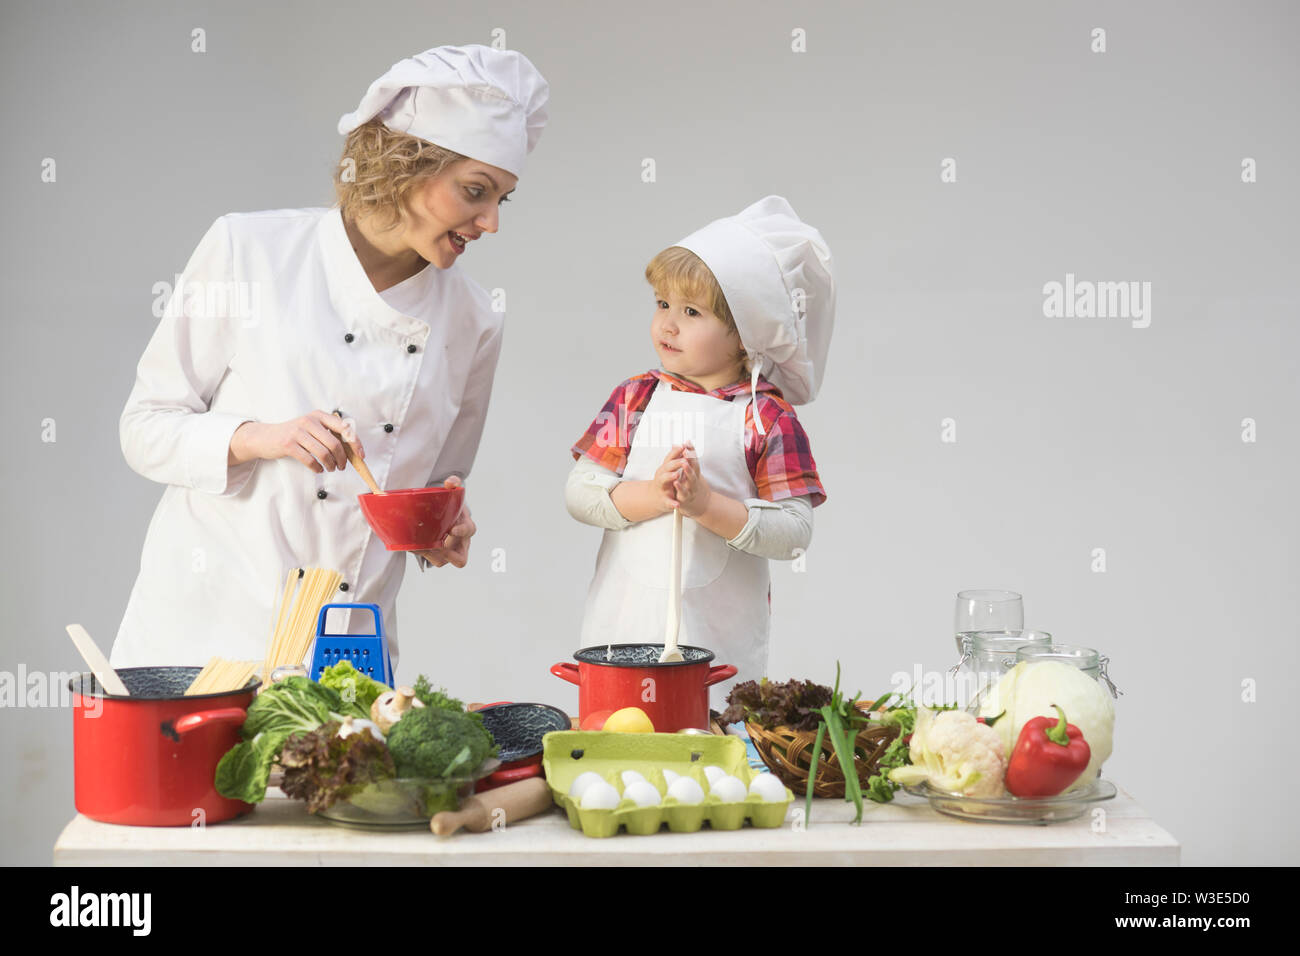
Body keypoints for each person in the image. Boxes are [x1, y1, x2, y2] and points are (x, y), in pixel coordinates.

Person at [112, 45, 549, 668]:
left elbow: (430, 490)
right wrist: (261, 436)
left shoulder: (475, 319)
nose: (490, 223)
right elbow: (145, 428)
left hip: (350, 654)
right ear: (404, 164)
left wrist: (441, 530)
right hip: (210, 631)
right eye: (475, 191)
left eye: (502, 199)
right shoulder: (252, 251)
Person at [565, 195, 835, 710]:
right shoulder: (634, 398)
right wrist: (650, 495)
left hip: (717, 648)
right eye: (662, 304)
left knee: (704, 747)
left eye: (691, 312)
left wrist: (705, 506)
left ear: (745, 335)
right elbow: (579, 492)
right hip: (620, 631)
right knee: (622, 740)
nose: (667, 324)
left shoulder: (767, 418)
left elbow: (795, 533)